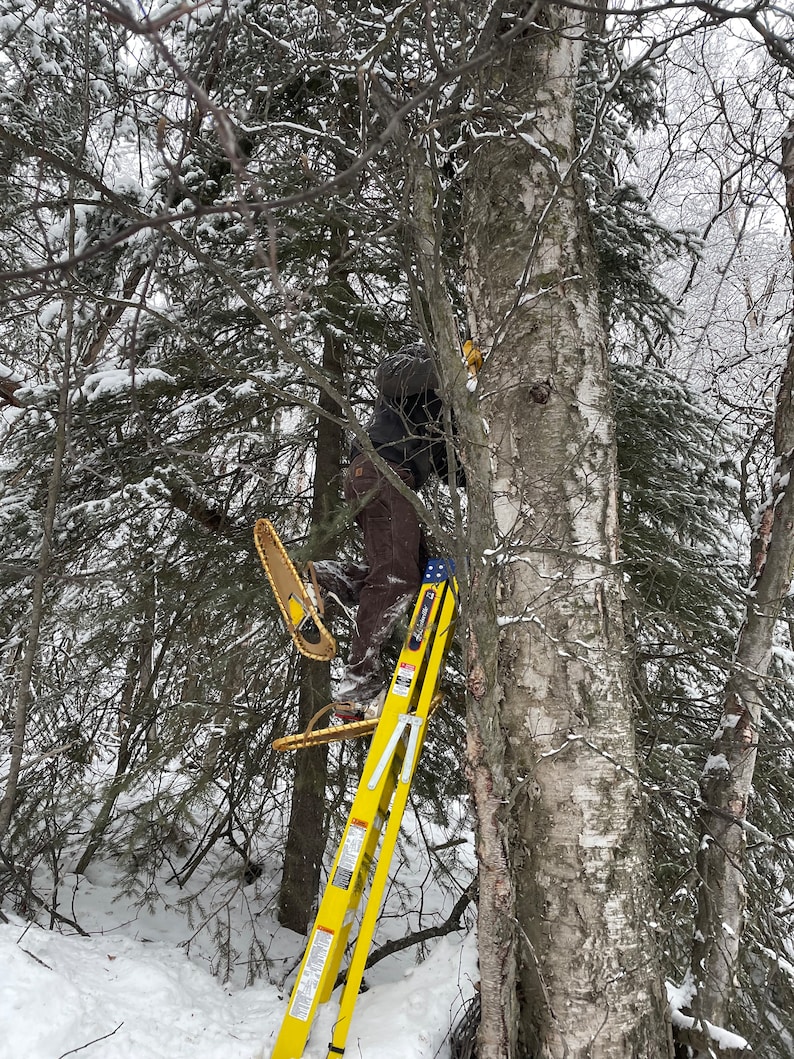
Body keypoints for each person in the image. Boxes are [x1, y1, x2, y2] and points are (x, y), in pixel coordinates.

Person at [308, 341, 468, 720]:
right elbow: (393, 377)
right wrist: (452, 362)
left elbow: (447, 466)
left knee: (416, 573)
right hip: (382, 472)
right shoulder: (410, 363)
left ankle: (329, 580)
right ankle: (358, 681)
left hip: (387, 479)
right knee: (396, 578)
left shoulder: (438, 410)